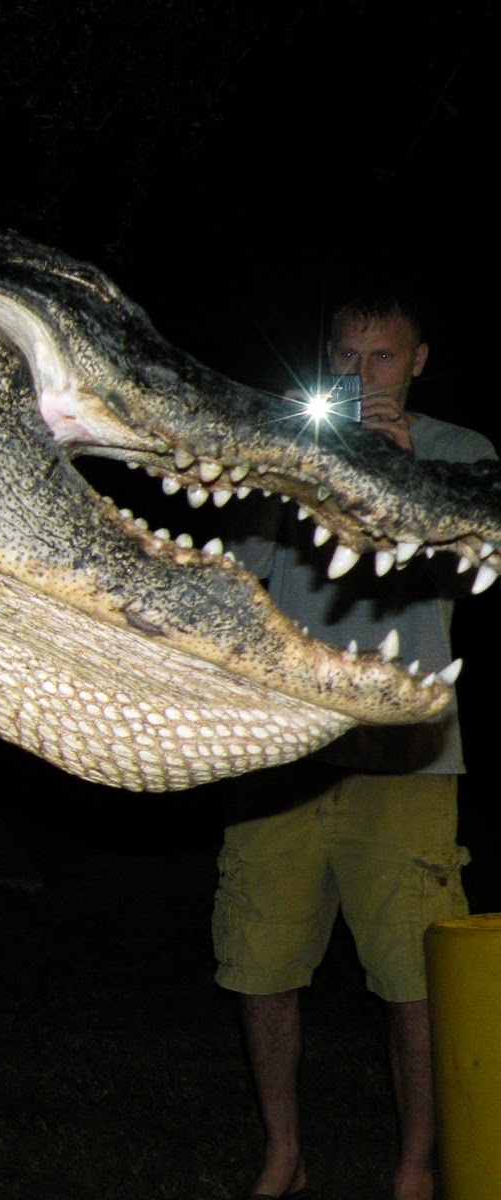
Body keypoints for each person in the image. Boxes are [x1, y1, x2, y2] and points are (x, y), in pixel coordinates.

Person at [211, 292, 496, 1200]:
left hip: (408, 753)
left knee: (416, 975)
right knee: (259, 961)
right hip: (286, 751)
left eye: (383, 358)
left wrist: (403, 477)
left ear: (418, 363)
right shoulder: (292, 448)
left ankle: (415, 1167)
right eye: (346, 356)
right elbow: (235, 579)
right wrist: (284, 479)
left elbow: (475, 573)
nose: (362, 375)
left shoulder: (461, 454)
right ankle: (283, 1155)